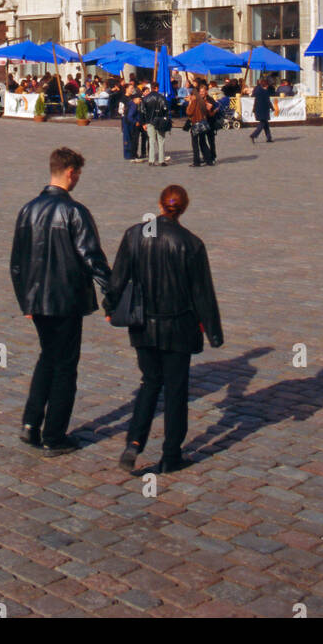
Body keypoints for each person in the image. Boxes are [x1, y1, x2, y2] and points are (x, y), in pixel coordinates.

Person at [106, 184, 223, 475]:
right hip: (178, 326)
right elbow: (203, 293)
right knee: (176, 390)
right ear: (183, 208)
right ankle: (171, 454)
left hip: (143, 324)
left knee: (149, 383)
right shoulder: (191, 243)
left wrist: (110, 307)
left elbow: (117, 279)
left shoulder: (135, 235)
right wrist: (214, 332)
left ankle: (134, 442)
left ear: (160, 205)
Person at [10, 147, 111, 454]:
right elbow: (92, 256)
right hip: (66, 300)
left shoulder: (27, 209)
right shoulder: (74, 211)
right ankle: (54, 436)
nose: (78, 179)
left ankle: (31, 424)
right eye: (78, 174)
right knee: (65, 366)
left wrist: (25, 301)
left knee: (47, 358)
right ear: (70, 172)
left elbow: (17, 263)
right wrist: (113, 291)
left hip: (37, 300)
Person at [141, 81, 172, 167]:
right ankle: (161, 160)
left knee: (151, 141)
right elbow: (166, 110)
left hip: (149, 121)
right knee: (161, 141)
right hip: (160, 121)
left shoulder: (145, 98)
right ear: (157, 88)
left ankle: (151, 160)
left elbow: (142, 111)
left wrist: (143, 123)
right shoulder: (162, 98)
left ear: (151, 88)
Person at [184, 86, 215, 166]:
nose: (190, 96)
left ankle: (196, 161)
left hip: (196, 124)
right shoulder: (202, 101)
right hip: (203, 124)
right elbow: (208, 113)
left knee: (195, 144)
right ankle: (209, 160)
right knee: (203, 142)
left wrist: (189, 103)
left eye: (191, 95)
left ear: (193, 95)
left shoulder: (194, 101)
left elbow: (189, 112)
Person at [249, 76, 274, 145]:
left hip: (257, 109)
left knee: (266, 124)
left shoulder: (257, 89)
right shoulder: (265, 91)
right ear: (265, 84)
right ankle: (253, 135)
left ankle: (269, 138)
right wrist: (272, 108)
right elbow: (268, 101)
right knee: (262, 123)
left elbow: (254, 97)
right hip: (263, 110)